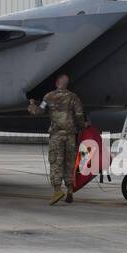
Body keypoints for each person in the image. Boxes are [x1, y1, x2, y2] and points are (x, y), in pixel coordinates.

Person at [28, 73, 88, 204]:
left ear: (56, 83)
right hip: (70, 136)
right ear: (67, 85)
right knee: (69, 162)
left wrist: (31, 104)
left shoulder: (49, 97)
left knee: (56, 162)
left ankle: (57, 191)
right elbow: (79, 116)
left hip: (56, 136)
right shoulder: (74, 97)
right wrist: (84, 126)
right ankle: (70, 190)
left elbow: (38, 111)